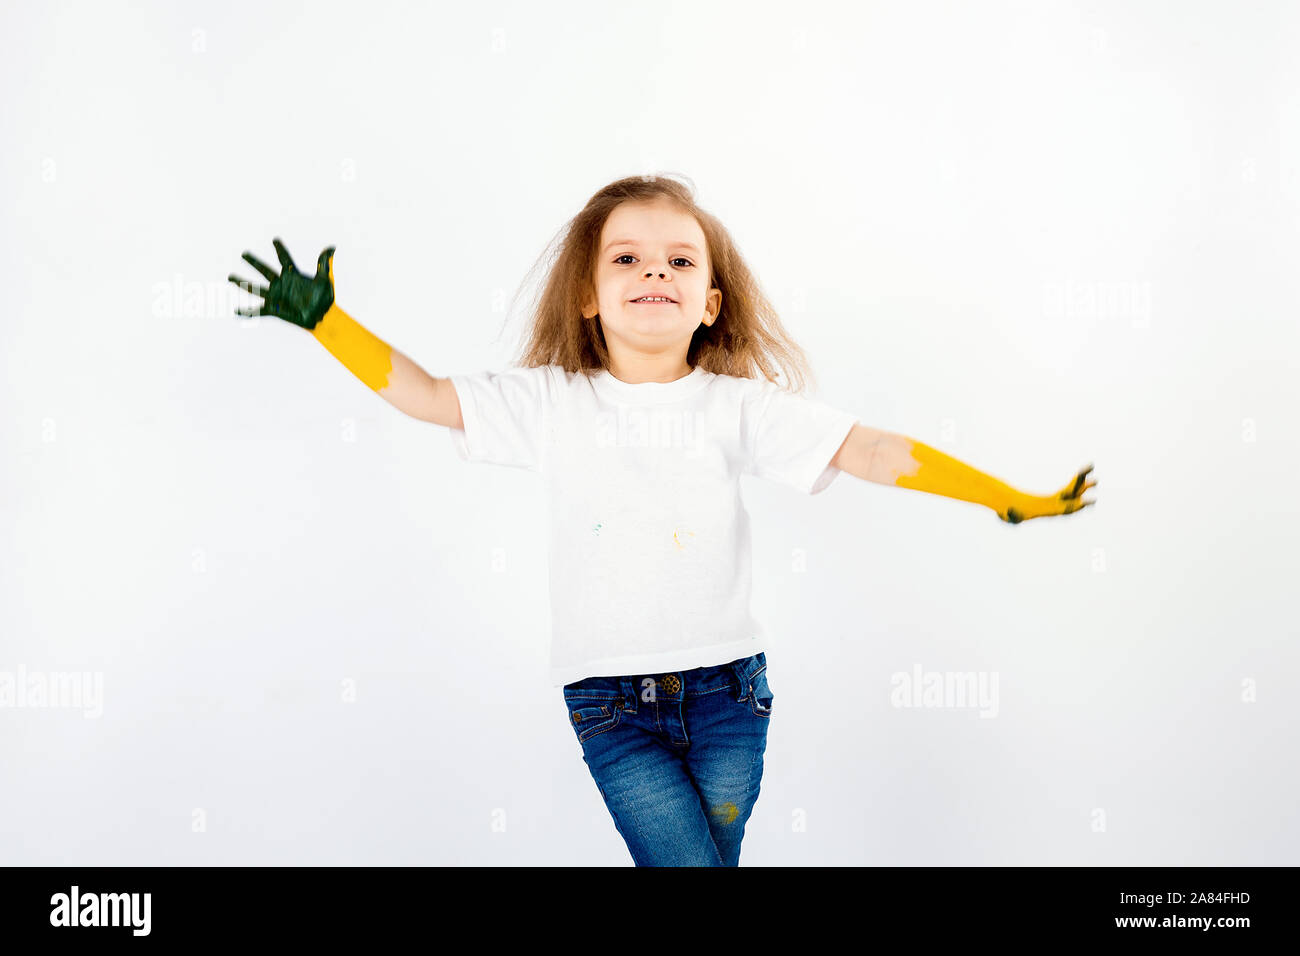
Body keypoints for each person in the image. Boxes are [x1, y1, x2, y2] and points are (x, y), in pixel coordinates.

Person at [227, 174, 1096, 866]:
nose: (655, 273)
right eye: (628, 259)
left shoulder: (738, 407)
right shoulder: (550, 404)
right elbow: (424, 396)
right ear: (587, 296)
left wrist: (1005, 496)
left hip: (730, 698)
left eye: (680, 261)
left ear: (711, 301)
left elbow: (870, 450)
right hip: (611, 707)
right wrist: (328, 323)